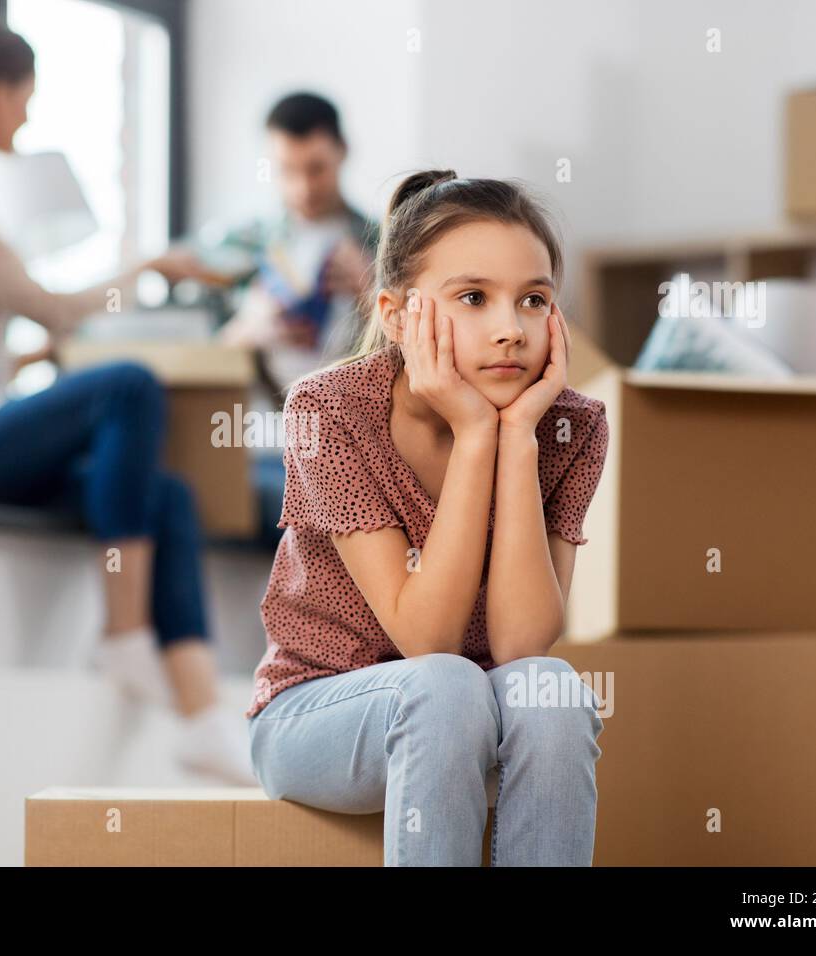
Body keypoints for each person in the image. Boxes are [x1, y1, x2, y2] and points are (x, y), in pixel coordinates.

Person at [0, 19, 254, 785]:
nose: (28, 115)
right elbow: (51, 307)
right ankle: (124, 633)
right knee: (130, 386)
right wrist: (152, 265)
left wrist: (28, 354)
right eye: (26, 96)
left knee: (164, 494)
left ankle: (199, 717)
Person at [244, 171, 611, 865]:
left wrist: (516, 438)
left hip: (476, 704)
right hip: (316, 709)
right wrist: (474, 434)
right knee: (445, 686)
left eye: (534, 300)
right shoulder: (329, 410)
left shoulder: (570, 427)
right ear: (397, 314)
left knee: (552, 688)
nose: (510, 330)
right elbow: (429, 640)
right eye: (473, 298)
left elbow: (522, 643)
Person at [190, 92, 378, 548]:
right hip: (262, 439)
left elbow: (419, 357)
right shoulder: (248, 244)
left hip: (350, 445)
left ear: (342, 152)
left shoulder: (384, 241)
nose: (302, 188)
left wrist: (373, 292)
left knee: (328, 517)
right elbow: (202, 357)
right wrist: (247, 334)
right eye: (287, 171)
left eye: (316, 168)